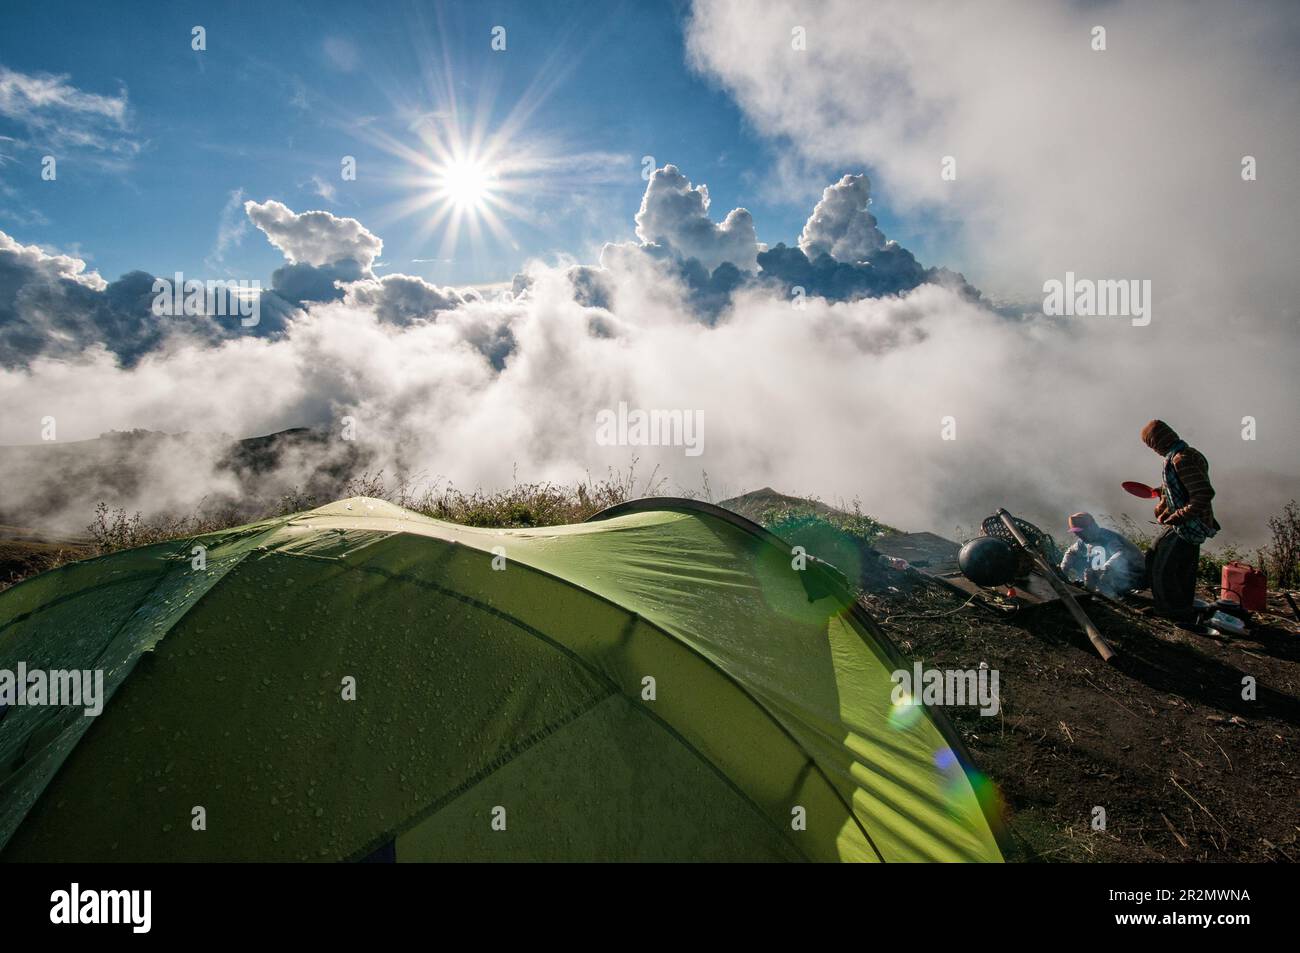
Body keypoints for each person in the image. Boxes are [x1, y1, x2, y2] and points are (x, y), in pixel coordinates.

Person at [1140, 419, 1220, 621]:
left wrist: (1177, 516)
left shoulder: (1181, 459)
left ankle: (1173, 611)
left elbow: (1203, 493)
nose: (1153, 450)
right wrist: (1163, 490)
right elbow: (1187, 484)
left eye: (1151, 444)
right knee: (1165, 558)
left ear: (1157, 442)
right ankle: (1179, 605)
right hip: (1188, 522)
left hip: (1190, 523)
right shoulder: (1184, 453)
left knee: (1163, 565)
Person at [1059, 512, 1145, 599]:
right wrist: (1064, 568)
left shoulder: (1107, 537)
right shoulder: (1083, 541)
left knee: (1108, 570)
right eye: (1076, 533)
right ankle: (1096, 592)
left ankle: (1110, 595)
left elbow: (1121, 553)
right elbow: (1071, 552)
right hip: (1115, 576)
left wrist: (1106, 567)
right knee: (1081, 563)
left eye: (1080, 532)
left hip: (1135, 576)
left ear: (1091, 527)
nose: (1078, 535)